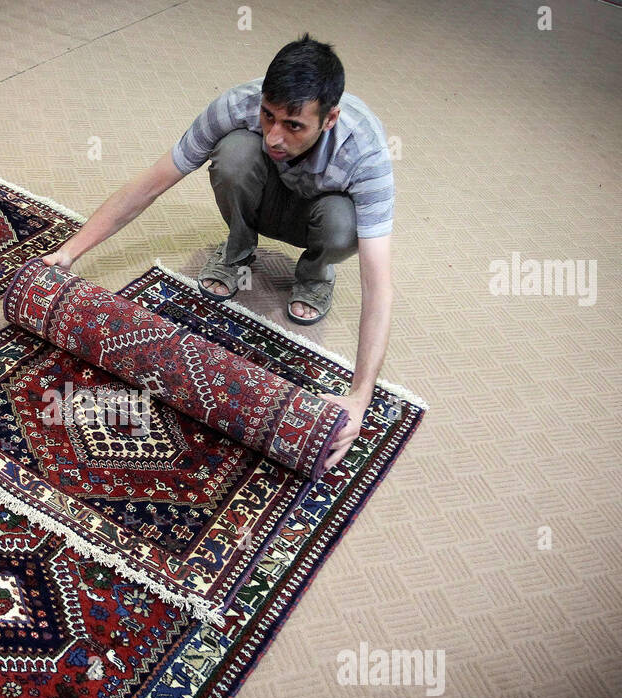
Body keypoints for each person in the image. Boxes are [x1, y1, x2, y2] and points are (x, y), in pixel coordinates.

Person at [41, 34, 394, 472]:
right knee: (235, 153)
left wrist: (359, 397)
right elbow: (152, 182)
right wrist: (69, 252)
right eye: (268, 116)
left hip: (318, 217)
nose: (274, 135)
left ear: (329, 119)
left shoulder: (365, 150)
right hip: (262, 197)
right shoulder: (238, 105)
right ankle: (237, 252)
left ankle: (315, 275)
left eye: (293, 124)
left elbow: (378, 286)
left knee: (346, 222)